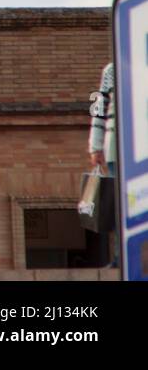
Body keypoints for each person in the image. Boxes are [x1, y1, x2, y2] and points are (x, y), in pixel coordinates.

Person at [89, 61, 118, 266]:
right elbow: (98, 107)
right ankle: (120, 257)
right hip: (116, 147)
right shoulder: (111, 70)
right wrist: (95, 145)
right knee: (119, 205)